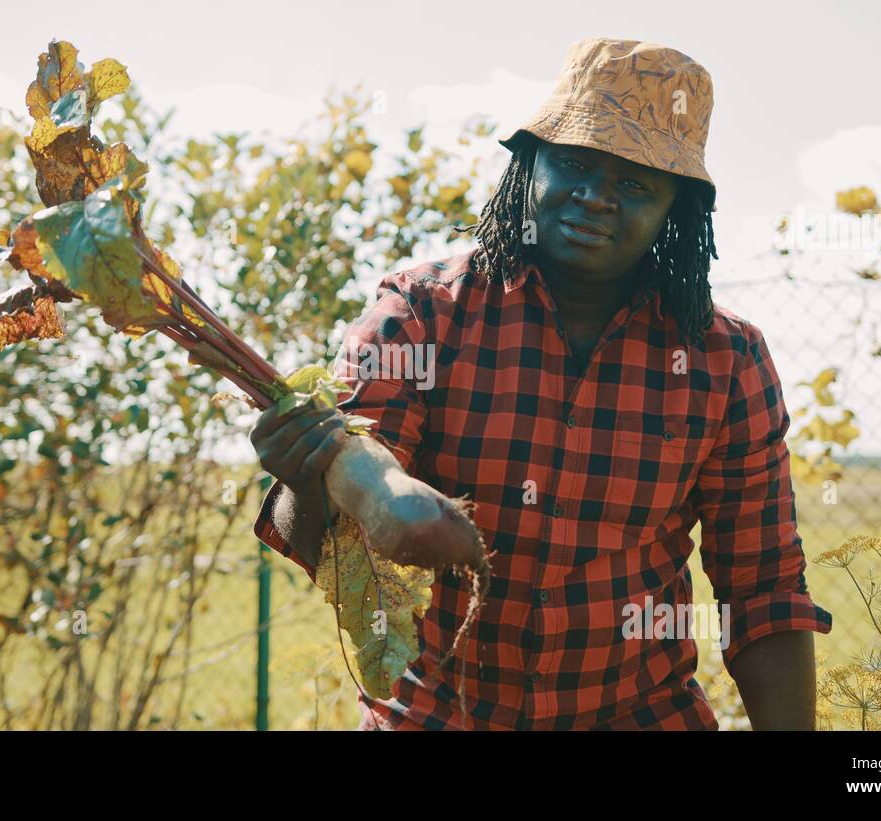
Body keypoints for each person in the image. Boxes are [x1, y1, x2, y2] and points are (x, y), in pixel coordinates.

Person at [250, 37, 832, 730]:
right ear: (529, 165)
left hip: (638, 712)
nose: (595, 198)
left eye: (635, 182)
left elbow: (763, 589)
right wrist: (302, 477)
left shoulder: (725, 360)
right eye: (574, 163)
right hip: (436, 715)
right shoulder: (421, 312)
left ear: (677, 209)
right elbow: (335, 541)